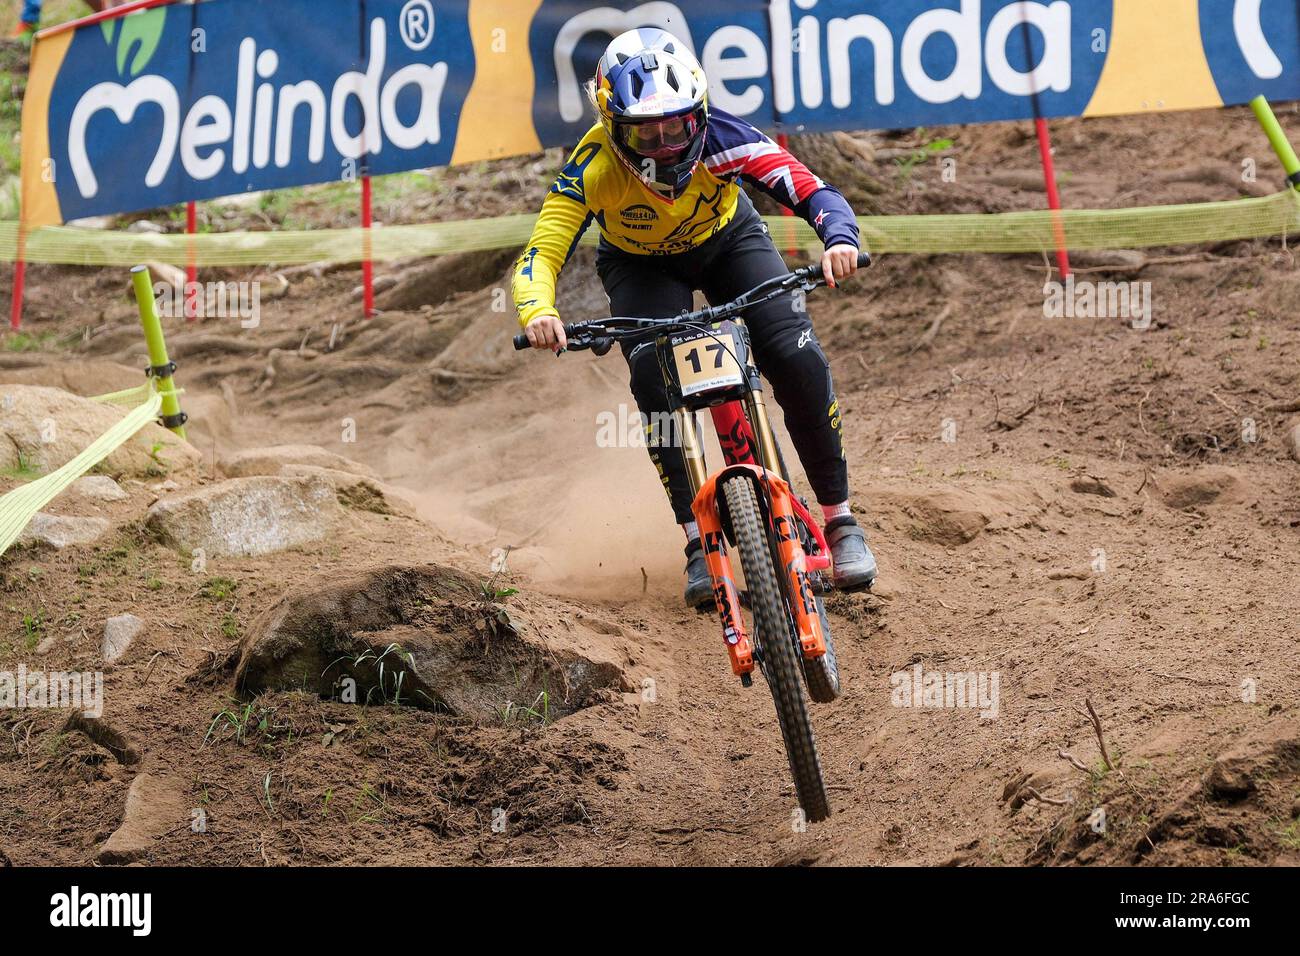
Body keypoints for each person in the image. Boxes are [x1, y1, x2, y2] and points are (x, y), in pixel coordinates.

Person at [512, 27, 877, 608]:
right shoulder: (593, 165)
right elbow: (541, 251)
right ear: (612, 127)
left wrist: (838, 239)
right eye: (645, 132)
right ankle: (695, 542)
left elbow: (812, 190)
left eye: (676, 127)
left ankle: (841, 522)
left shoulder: (726, 136)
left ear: (699, 114)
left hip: (730, 243)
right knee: (653, 380)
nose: (663, 145)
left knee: (793, 353)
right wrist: (539, 311)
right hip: (641, 269)